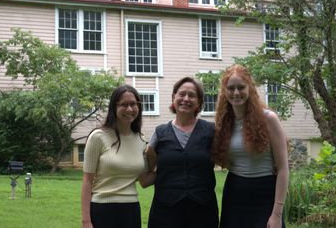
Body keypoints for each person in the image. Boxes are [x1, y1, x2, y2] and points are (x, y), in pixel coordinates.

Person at [214, 64, 289, 228]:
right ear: (224, 91)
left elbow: (283, 168)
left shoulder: (269, 118)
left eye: (241, 87)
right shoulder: (224, 122)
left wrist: (277, 214)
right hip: (234, 191)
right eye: (231, 88)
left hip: (264, 193)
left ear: (250, 88)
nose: (236, 93)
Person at [146, 77, 219, 228]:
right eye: (182, 94)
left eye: (191, 95)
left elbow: (228, 159)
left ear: (198, 102)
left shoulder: (211, 131)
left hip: (203, 213)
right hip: (165, 213)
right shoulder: (159, 133)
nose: (186, 99)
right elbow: (147, 166)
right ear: (174, 98)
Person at [81, 85, 155, 228]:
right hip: (102, 210)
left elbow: (144, 181)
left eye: (133, 104)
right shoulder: (98, 137)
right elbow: (87, 181)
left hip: (131, 211)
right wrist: (86, 221)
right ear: (114, 108)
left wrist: (171, 168)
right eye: (123, 105)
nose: (129, 109)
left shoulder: (140, 140)